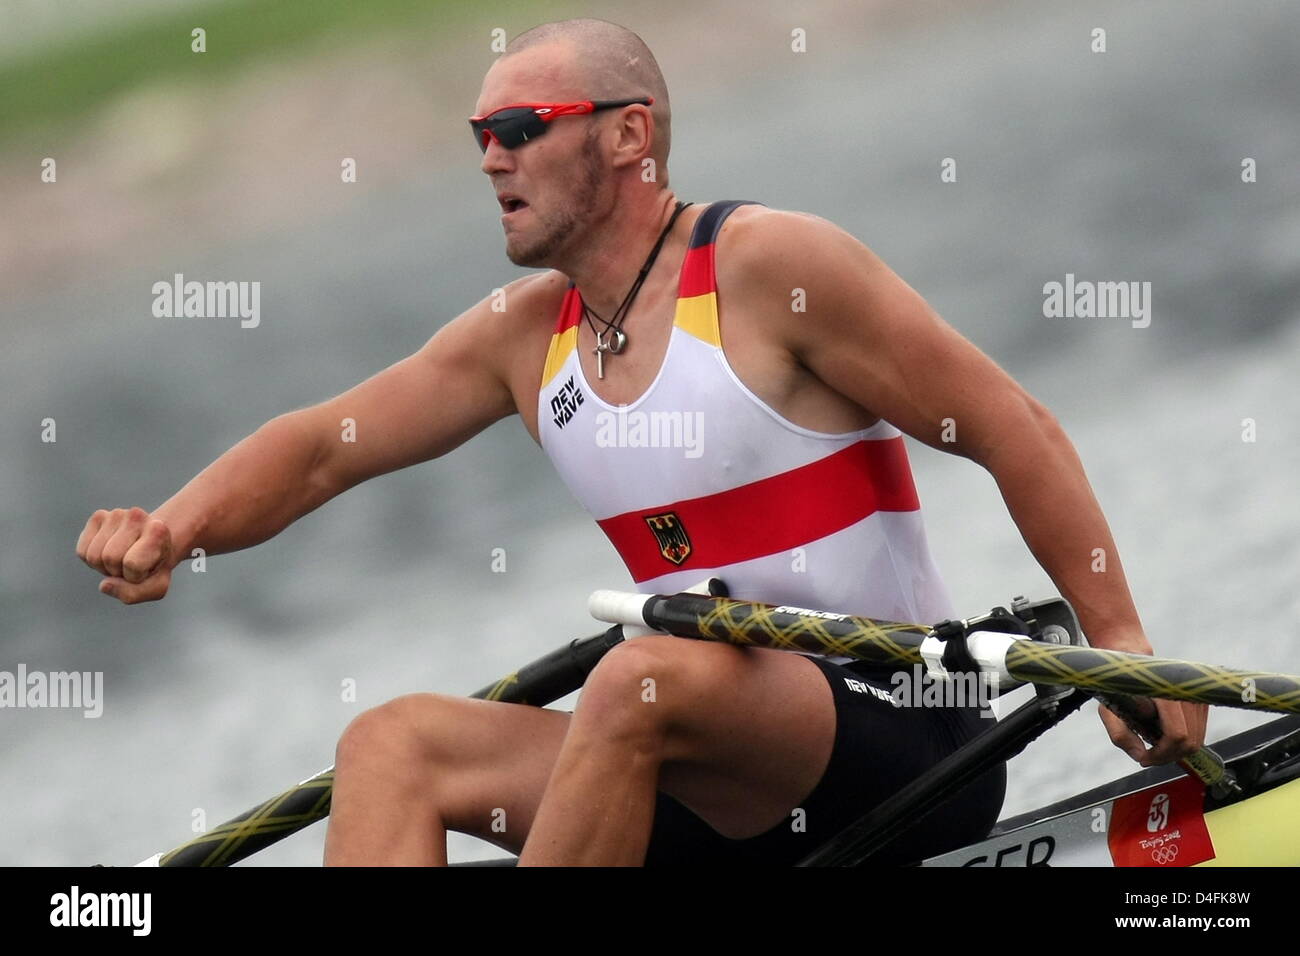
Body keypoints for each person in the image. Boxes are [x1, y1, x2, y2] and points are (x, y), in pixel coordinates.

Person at [75, 17, 1207, 866]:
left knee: (640, 677)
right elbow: (325, 445)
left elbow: (1013, 429)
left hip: (909, 736)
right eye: (479, 135)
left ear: (627, 136)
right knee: (390, 743)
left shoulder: (772, 270)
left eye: (519, 130)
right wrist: (175, 528)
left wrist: (1123, 647)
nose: (488, 159)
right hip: (703, 770)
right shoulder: (525, 338)